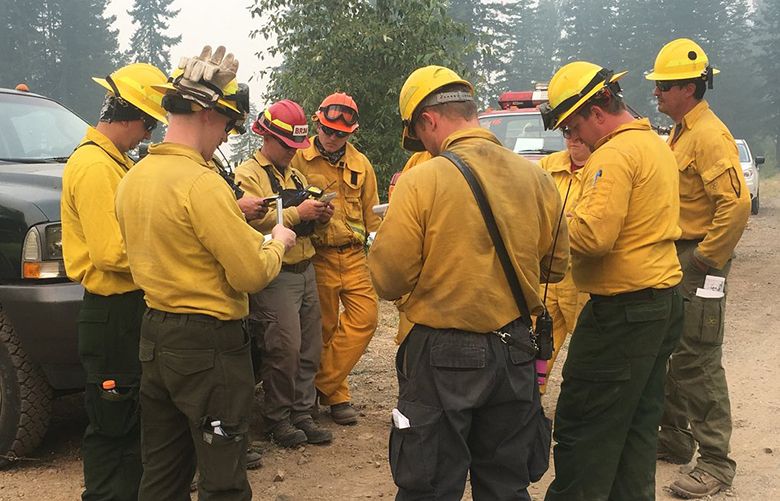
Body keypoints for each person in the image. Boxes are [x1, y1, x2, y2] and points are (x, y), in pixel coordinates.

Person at [368, 65, 568, 500]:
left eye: (420, 135)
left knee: (430, 485)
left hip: (440, 355)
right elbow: (555, 268)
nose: (424, 145)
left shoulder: (423, 180)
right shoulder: (538, 179)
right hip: (516, 351)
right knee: (505, 485)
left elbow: (387, 277)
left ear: (428, 120)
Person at [115, 45, 296, 500]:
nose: (228, 135)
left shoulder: (133, 178)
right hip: (208, 346)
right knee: (223, 479)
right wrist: (277, 243)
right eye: (229, 123)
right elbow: (251, 274)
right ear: (205, 113)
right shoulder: (201, 183)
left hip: (155, 336)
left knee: (161, 474)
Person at [539, 61, 685, 501]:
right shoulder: (653, 144)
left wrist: (542, 220)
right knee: (636, 425)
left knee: (585, 425)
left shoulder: (614, 155)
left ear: (597, 112)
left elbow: (592, 236)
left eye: (574, 125)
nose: (575, 137)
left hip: (622, 315)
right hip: (660, 303)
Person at [646, 38, 750, 498]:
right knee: (674, 349)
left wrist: (707, 259)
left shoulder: (709, 136)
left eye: (665, 86)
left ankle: (716, 462)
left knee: (698, 358)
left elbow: (736, 204)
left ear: (688, 88)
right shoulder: (683, 131)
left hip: (698, 258)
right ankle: (674, 437)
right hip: (680, 254)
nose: (658, 93)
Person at [61, 62, 167, 501]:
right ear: (128, 117)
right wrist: (167, 260)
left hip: (125, 311)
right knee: (112, 425)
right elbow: (110, 253)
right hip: (113, 313)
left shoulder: (112, 163)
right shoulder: (95, 167)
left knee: (130, 420)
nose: (148, 135)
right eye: (147, 125)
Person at [234, 99, 334, 447]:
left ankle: (303, 413)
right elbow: (250, 221)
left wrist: (319, 215)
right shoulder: (248, 174)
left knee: (309, 347)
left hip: (306, 269)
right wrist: (297, 213)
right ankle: (278, 419)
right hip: (276, 273)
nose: (294, 153)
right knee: (283, 349)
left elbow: (300, 219)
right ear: (268, 137)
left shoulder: (294, 175)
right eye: (289, 146)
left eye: (297, 146)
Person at [291, 92, 381, 425]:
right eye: (329, 130)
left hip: (354, 256)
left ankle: (319, 386)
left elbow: (373, 217)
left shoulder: (361, 165)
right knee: (323, 329)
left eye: (341, 134)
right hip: (319, 255)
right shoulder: (300, 159)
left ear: (351, 132)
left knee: (366, 320)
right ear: (318, 123)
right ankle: (338, 395)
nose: (333, 138)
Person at [536, 136, 591, 394]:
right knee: (537, 345)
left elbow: (596, 226)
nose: (573, 139)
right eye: (568, 132)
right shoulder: (548, 166)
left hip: (583, 280)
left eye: (578, 133)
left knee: (588, 350)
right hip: (548, 278)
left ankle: (585, 407)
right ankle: (531, 398)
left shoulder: (602, 169)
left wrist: (562, 222)